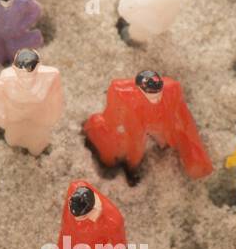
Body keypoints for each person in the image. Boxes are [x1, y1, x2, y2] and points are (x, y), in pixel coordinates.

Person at [83, 70, 211, 179]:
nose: (155, 96)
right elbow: (112, 117)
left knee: (169, 138)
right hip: (136, 122)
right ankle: (131, 170)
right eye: (151, 93)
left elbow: (179, 115)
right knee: (134, 147)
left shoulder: (172, 90)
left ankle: (162, 149)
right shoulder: (122, 94)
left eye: (157, 92)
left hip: (162, 120)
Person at [0, 48, 63, 154]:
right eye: (21, 74)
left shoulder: (51, 77)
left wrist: (53, 116)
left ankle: (36, 152)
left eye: (29, 74)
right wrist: (0, 113)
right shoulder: (6, 78)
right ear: (14, 69)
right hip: (14, 118)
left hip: (38, 119)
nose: (25, 79)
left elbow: (56, 99)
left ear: (38, 67)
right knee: (12, 139)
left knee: (36, 144)